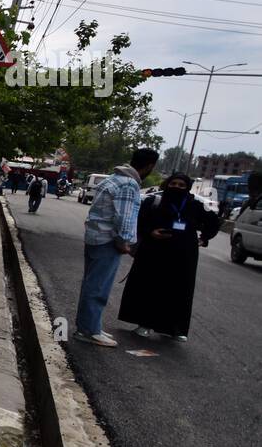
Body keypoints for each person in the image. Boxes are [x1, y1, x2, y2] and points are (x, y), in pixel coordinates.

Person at [117, 173, 219, 341]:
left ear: (187, 187)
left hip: (183, 255)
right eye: (174, 183)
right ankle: (144, 324)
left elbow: (214, 221)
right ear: (167, 184)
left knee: (178, 290)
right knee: (150, 286)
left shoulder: (195, 205)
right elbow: (138, 221)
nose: (177, 187)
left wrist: (204, 237)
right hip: (154, 252)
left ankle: (174, 328)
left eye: (181, 185)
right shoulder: (154, 201)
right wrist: (151, 231)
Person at [74, 148, 159, 347]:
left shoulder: (113, 179)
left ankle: (89, 325)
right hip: (108, 241)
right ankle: (88, 330)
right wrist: (125, 242)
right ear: (150, 166)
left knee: (92, 284)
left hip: (96, 237)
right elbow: (124, 217)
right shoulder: (129, 184)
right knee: (98, 287)